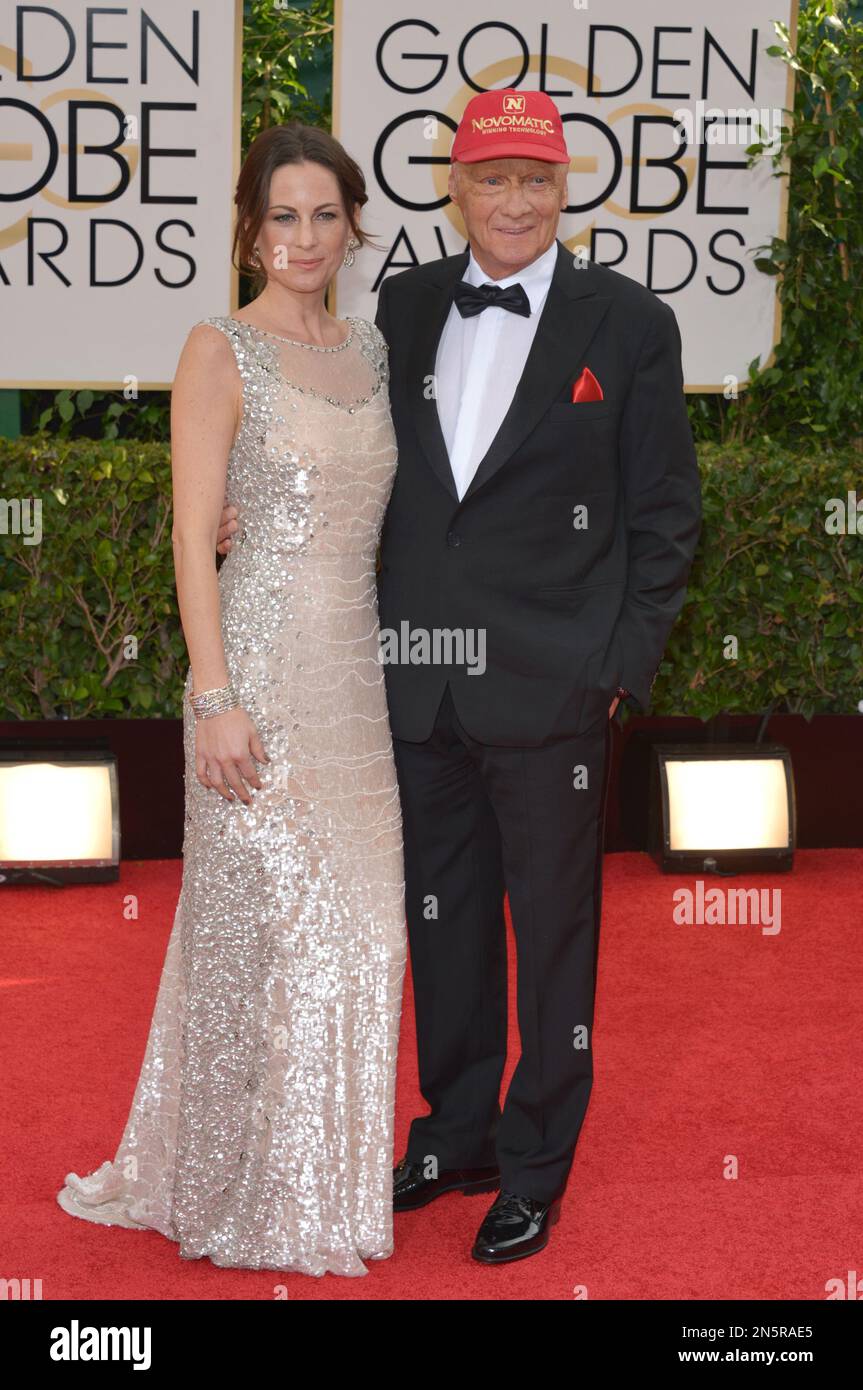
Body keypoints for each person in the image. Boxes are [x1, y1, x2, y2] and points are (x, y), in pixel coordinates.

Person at [217, 88, 703, 1264]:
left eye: (535, 179)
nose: (514, 201)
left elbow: (666, 519)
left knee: (550, 938)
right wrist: (254, 507)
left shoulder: (628, 325)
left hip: (551, 691)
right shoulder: (401, 304)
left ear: (566, 187)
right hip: (415, 680)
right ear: (456, 188)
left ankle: (536, 1164)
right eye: (491, 179)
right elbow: (330, 435)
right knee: (439, 928)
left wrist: (612, 671)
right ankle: (457, 1129)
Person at [56, 124, 407, 1277]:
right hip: (254, 673)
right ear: (250, 228)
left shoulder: (370, 351)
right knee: (258, 940)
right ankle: (234, 1189)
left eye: (322, 215)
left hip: (355, 686)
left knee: (358, 933)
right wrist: (213, 698)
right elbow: (188, 536)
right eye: (280, 217)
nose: (302, 239)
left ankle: (326, 1190)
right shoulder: (219, 348)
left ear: (351, 222)